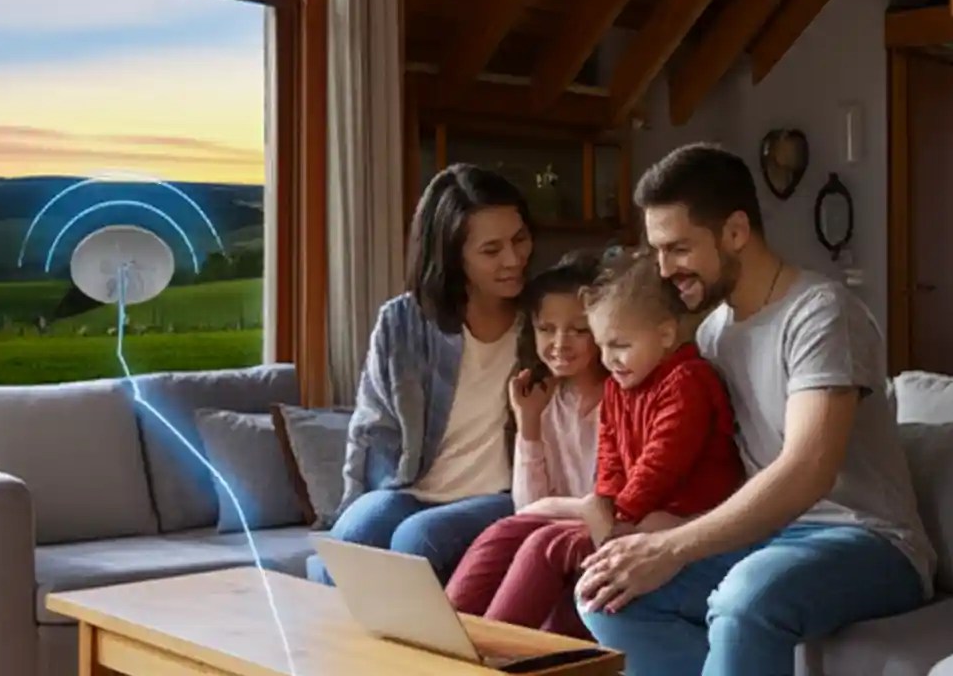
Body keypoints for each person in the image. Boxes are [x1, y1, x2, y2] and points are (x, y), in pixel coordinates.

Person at [574, 143, 934, 676]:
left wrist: (672, 547)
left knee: (744, 602)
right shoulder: (715, 332)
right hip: (770, 535)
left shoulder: (820, 313)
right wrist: (651, 523)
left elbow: (806, 471)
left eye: (677, 249)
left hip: (869, 541)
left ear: (736, 232)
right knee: (605, 592)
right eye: (657, 251)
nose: (663, 269)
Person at [307, 163, 533, 586]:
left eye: (519, 239)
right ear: (451, 254)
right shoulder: (403, 322)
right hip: (413, 488)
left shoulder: (544, 322)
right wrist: (355, 504)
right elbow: (371, 430)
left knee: (418, 538)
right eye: (491, 250)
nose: (513, 259)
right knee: (352, 536)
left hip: (502, 495)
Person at [444, 251, 607, 639]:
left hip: (593, 540)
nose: (560, 343)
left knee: (527, 541)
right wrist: (528, 425)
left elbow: (602, 509)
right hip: (551, 530)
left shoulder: (619, 398)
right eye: (546, 329)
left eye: (579, 330)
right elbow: (527, 509)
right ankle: (438, 650)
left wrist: (563, 509)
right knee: (499, 536)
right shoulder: (545, 401)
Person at [579, 248, 743, 546]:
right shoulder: (616, 387)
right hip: (642, 508)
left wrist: (624, 513)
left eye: (620, 345)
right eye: (601, 345)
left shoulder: (687, 381)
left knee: (627, 538)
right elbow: (610, 455)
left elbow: (662, 463)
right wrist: (609, 503)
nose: (608, 359)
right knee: (568, 527)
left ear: (665, 335)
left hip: (698, 514)